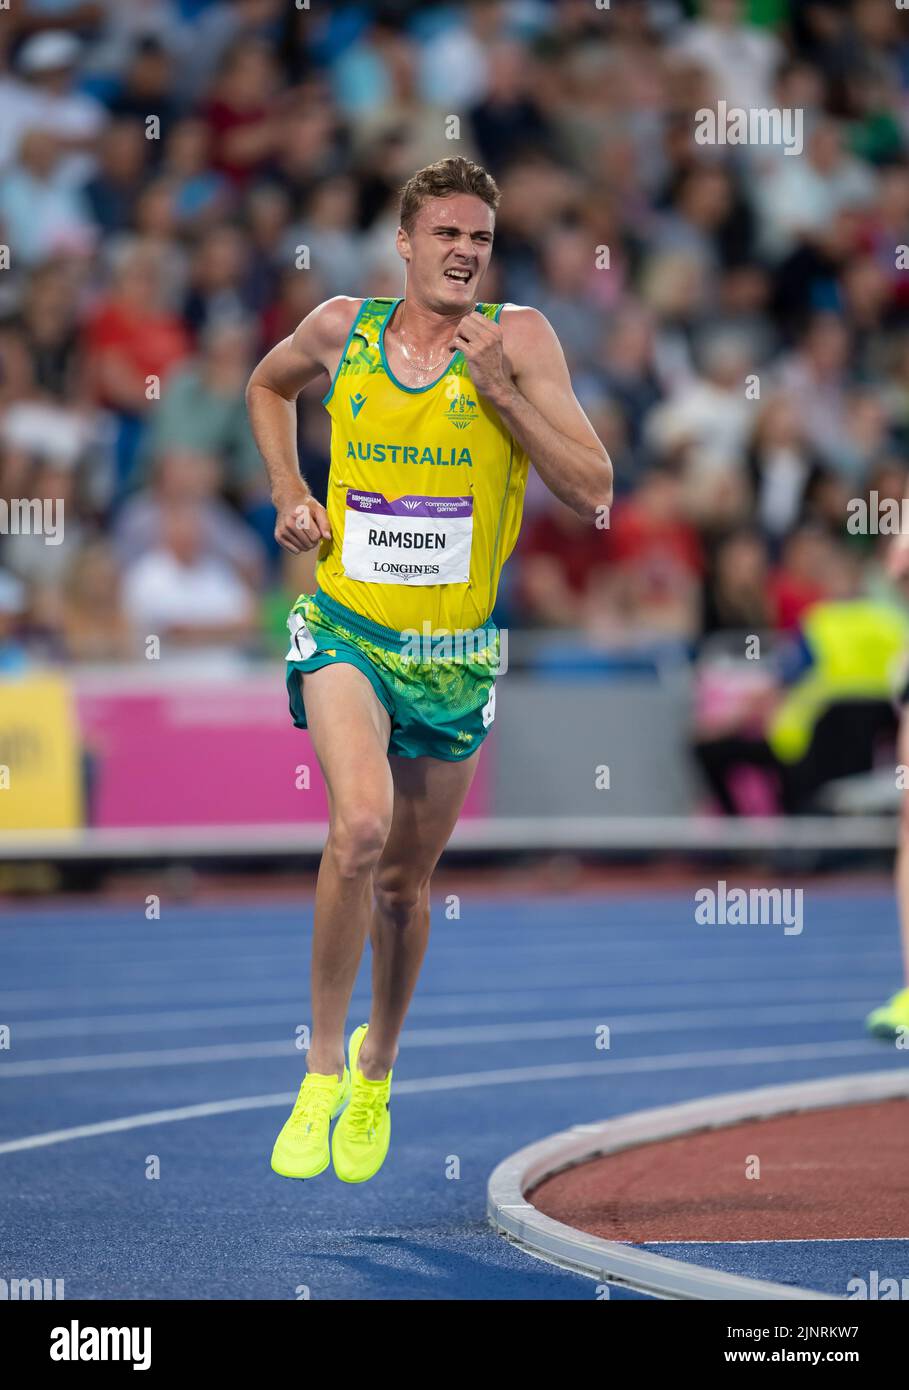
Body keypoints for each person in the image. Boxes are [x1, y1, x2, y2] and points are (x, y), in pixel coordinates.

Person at [246, 156, 612, 1184]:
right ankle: (320, 1069)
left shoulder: (518, 340)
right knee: (358, 828)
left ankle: (377, 1067)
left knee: (406, 889)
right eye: (446, 234)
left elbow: (594, 489)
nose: (463, 252)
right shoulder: (342, 329)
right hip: (349, 629)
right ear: (404, 243)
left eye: (480, 239)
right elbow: (266, 385)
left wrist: (501, 396)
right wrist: (288, 490)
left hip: (452, 656)